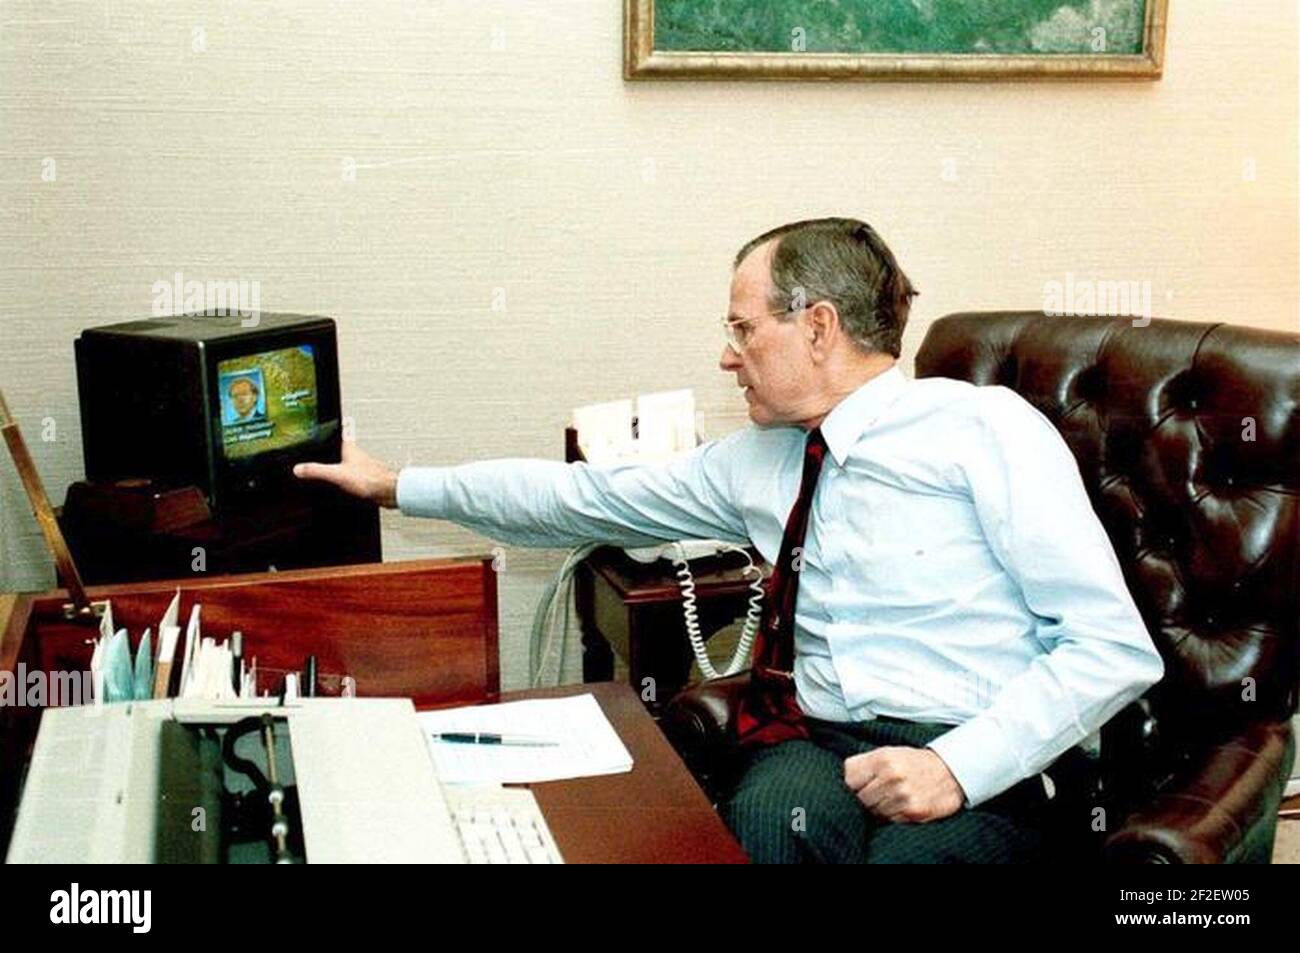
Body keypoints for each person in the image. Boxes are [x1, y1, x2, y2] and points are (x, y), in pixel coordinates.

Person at [294, 217, 1163, 863]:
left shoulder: (983, 431)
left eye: (743, 329)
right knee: (756, 827)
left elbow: (1112, 648)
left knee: (913, 862)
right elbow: (580, 498)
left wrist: (955, 766)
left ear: (818, 326)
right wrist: (398, 483)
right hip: (825, 744)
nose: (727, 357)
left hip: (985, 752)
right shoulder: (758, 460)